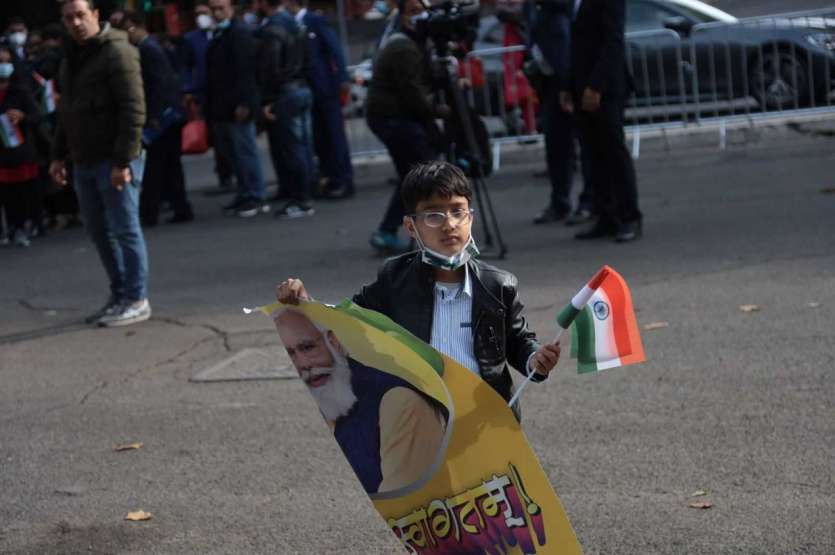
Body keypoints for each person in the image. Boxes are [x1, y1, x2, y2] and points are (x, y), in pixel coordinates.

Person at [277, 161, 562, 421]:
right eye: (433, 215)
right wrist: (305, 302)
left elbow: (517, 340)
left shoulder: (497, 285)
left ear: (471, 218)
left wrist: (535, 359)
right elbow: (347, 321)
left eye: (458, 211)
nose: (449, 224)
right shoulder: (394, 279)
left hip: (486, 421)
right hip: (423, 419)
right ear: (411, 227)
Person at [49, 0, 151, 327]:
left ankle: (136, 298)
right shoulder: (71, 57)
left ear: (95, 14)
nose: (76, 23)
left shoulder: (118, 51)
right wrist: (57, 155)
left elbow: (134, 109)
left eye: (81, 15)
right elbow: (67, 112)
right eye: (69, 18)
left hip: (114, 159)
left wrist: (122, 161)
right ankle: (120, 295)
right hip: (84, 160)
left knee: (125, 229)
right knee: (98, 232)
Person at [273, 308, 447, 494]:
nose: (303, 364)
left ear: (333, 341)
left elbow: (402, 501)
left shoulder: (396, 401)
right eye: (290, 354)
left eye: (308, 347)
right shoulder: (320, 399)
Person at [365, 0, 445, 254]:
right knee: (424, 172)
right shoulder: (403, 47)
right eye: (412, 12)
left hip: (395, 117)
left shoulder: (417, 43)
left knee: (412, 176)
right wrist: (439, 110)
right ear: (401, 17)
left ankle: (388, 231)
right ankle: (421, 232)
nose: (419, 17)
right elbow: (414, 94)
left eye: (422, 11)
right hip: (393, 118)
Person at [562, 0, 642, 242]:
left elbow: (612, 42)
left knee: (614, 153)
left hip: (605, 88)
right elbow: (576, 45)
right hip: (581, 85)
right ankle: (606, 216)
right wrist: (568, 86)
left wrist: (596, 86)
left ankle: (629, 216)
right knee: (593, 155)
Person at [117, 10, 194, 226]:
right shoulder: (152, 47)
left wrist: (154, 116)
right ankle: (180, 207)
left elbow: (158, 85)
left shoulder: (147, 49)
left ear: (133, 27)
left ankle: (150, 212)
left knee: (156, 165)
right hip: (168, 115)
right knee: (169, 165)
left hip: (162, 118)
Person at [526, 0, 594, 225]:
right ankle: (563, 202)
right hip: (553, 86)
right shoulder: (542, 10)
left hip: (564, 86)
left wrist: (565, 86)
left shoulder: (556, 11)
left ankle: (586, 202)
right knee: (558, 147)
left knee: (578, 145)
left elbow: (562, 48)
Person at [285, 0, 355, 200]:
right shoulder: (291, 24)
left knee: (334, 136)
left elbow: (334, 48)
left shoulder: (314, 21)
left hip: (326, 88)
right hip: (309, 89)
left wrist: (342, 78)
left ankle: (344, 180)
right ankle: (330, 178)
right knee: (320, 138)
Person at [206, 0, 268, 218]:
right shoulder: (221, 33)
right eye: (213, 9)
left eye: (221, 8)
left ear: (231, 8)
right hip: (223, 105)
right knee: (235, 153)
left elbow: (246, 70)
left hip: (236, 105)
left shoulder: (238, 32)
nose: (217, 13)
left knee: (245, 151)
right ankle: (246, 193)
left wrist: (244, 103)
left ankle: (255, 195)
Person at [255, 0, 316, 219]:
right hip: (301, 88)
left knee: (292, 149)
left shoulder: (272, 29)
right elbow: (309, 60)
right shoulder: (295, 24)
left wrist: (268, 100)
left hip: (286, 92)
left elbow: (270, 68)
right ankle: (304, 193)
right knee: (303, 147)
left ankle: (301, 199)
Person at [182, 2, 236, 193]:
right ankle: (225, 175)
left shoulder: (225, 33)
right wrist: (189, 90)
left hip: (226, 93)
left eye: (204, 12)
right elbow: (187, 67)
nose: (201, 17)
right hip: (206, 95)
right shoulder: (191, 39)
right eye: (198, 13)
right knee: (218, 137)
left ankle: (238, 175)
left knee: (233, 138)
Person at [0, 44, 41, 248]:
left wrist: (22, 116)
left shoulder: (20, 90)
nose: (3, 66)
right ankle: (10, 228)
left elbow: (37, 116)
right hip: (1, 153)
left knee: (22, 192)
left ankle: (25, 225)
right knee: (6, 193)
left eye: (7, 62)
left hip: (20, 151)